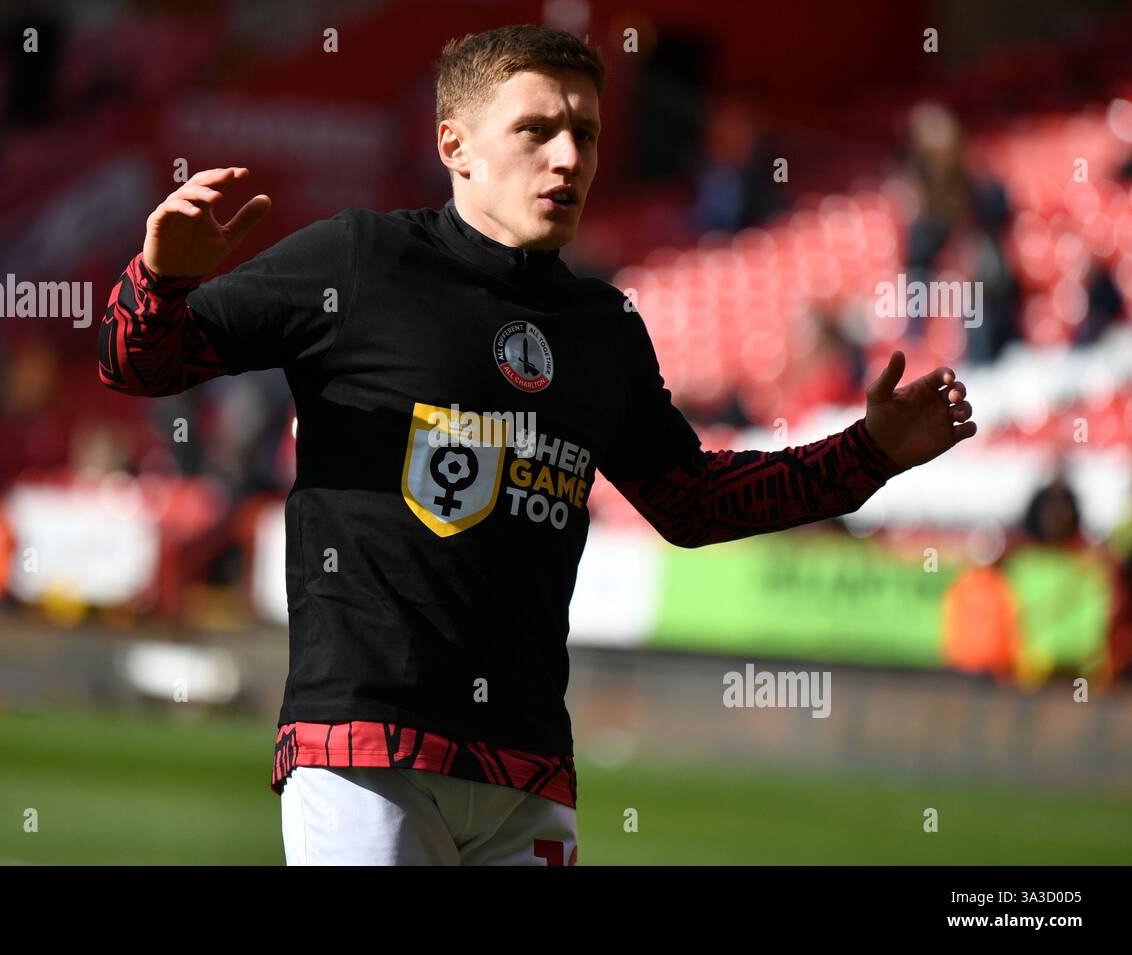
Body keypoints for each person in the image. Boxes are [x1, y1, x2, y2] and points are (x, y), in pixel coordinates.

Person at [97, 25, 977, 865]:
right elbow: (138, 363)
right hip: (366, 749)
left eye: (585, 134)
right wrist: (161, 279)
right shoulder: (360, 261)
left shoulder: (604, 329)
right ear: (455, 146)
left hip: (528, 770)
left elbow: (694, 503)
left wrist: (868, 453)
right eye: (537, 130)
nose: (568, 158)